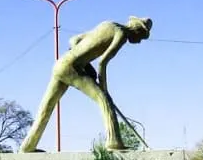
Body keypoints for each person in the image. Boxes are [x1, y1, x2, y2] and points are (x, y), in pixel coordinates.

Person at [19, 15, 152, 152]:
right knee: (104, 101)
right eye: (142, 37)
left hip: (61, 64)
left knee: (46, 108)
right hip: (71, 67)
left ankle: (28, 146)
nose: (140, 41)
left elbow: (74, 40)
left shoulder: (107, 24)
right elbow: (103, 62)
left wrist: (86, 66)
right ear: (137, 31)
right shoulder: (122, 34)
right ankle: (114, 142)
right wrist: (103, 88)